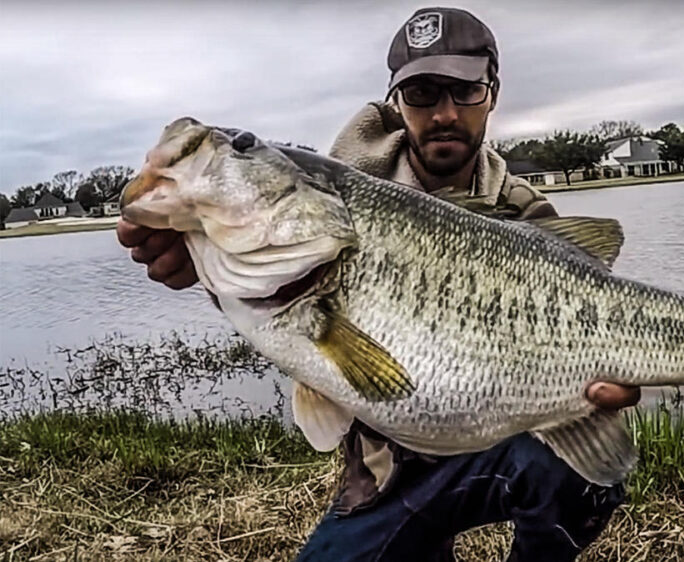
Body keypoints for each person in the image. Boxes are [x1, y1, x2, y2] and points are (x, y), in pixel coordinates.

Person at [117, 7, 640, 560]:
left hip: (496, 443)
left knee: (578, 477)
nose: (443, 113)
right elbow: (274, 287)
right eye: (421, 94)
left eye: (463, 92)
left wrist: (599, 390)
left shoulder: (527, 218)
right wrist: (199, 259)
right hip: (386, 473)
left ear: (492, 93)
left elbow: (585, 324)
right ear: (395, 102)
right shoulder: (335, 190)